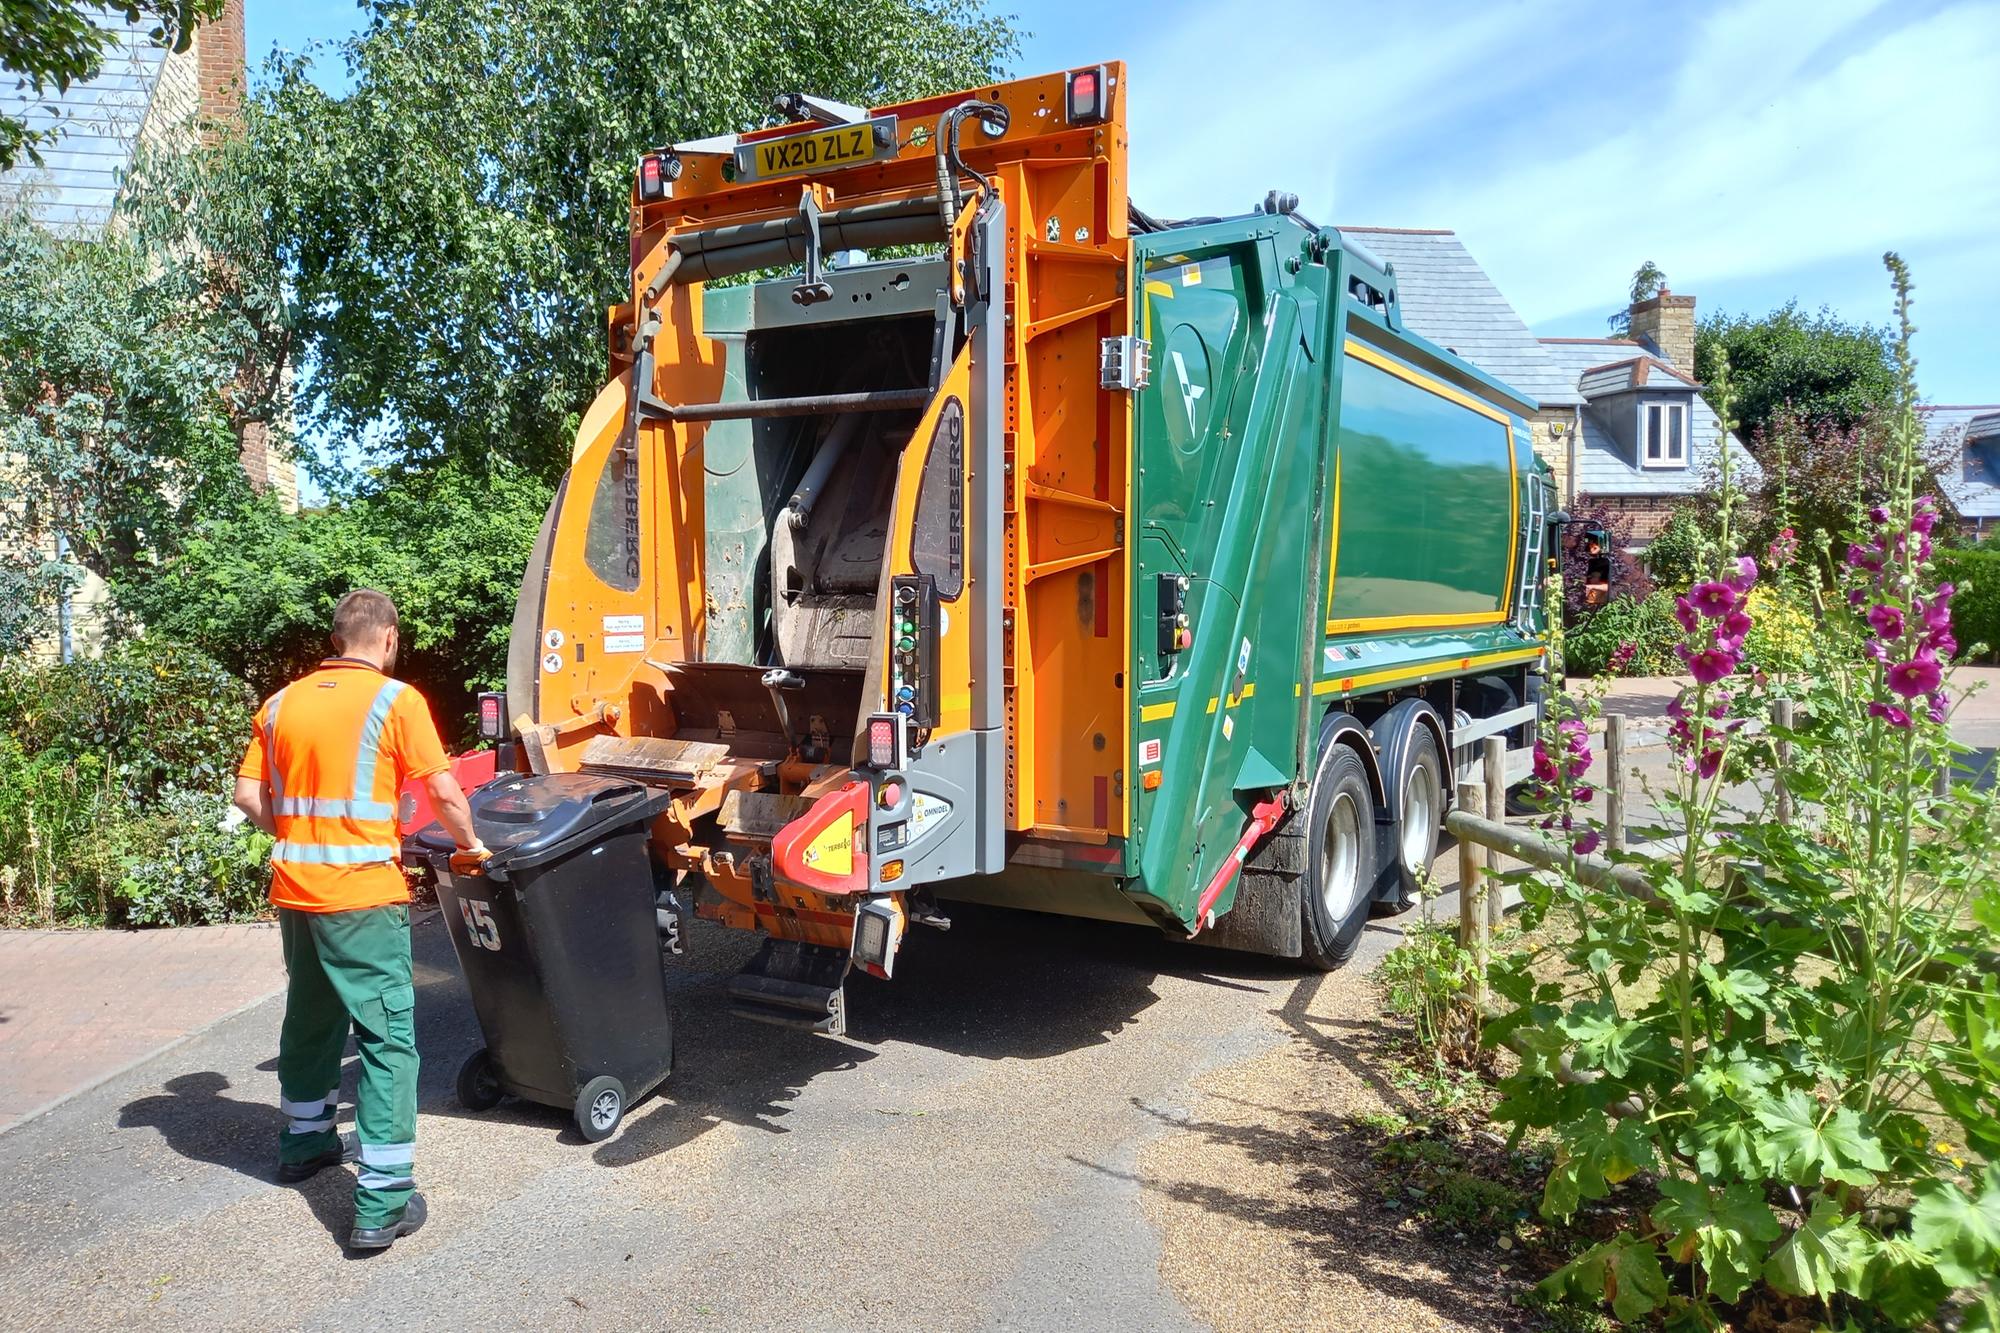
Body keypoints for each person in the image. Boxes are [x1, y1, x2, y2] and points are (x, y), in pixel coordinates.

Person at [232, 589, 487, 1251]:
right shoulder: (396, 701)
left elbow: (247, 794)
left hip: (297, 891)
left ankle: (306, 1140)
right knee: (386, 1039)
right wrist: (471, 846)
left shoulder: (281, 702)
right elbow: (444, 790)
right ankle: (380, 1201)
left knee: (311, 1013)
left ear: (338, 635)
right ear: (389, 638)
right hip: (361, 898)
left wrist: (296, 833)